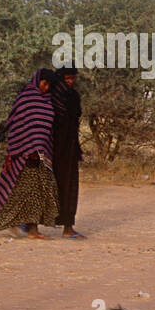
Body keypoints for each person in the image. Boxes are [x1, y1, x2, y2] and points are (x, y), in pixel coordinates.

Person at [0, 68, 59, 238]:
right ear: (38, 80)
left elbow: (46, 129)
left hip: (42, 154)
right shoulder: (26, 98)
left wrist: (41, 148)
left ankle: (33, 229)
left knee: (40, 191)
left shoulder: (48, 101)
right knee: (19, 191)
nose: (46, 88)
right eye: (45, 83)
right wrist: (29, 147)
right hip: (24, 154)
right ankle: (9, 221)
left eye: (49, 85)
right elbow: (17, 121)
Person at [50, 63, 85, 238]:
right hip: (51, 148)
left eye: (72, 78)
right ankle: (31, 224)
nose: (70, 82)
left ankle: (67, 227)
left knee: (69, 187)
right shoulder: (49, 97)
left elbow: (74, 120)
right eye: (67, 78)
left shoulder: (73, 96)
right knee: (44, 185)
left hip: (69, 148)